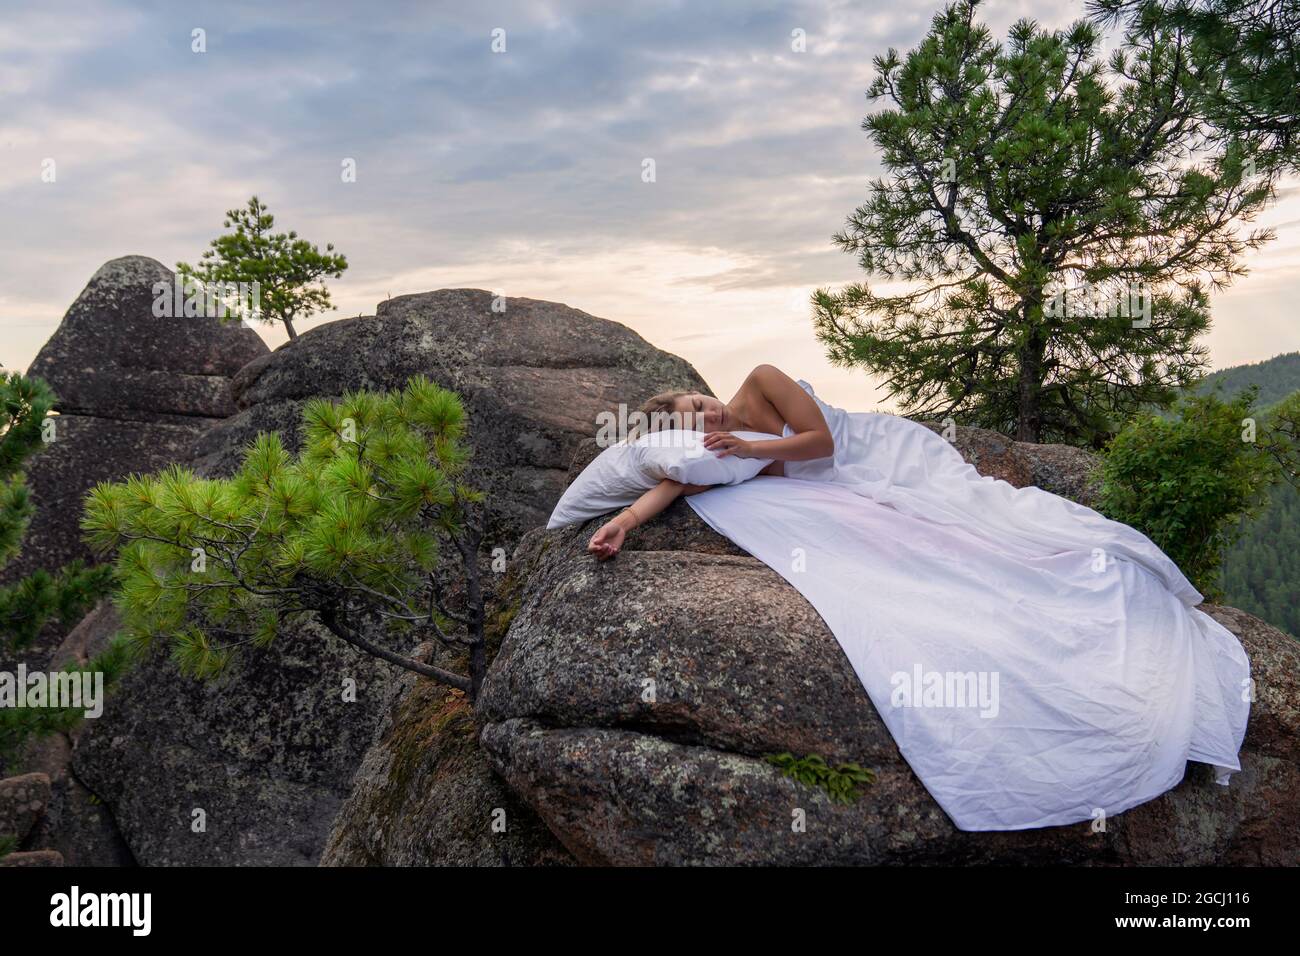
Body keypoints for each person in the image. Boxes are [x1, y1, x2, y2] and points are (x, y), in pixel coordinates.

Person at [587, 364, 833, 559]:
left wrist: (750, 448)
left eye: (699, 405)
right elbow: (676, 483)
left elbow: (823, 443)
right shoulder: (718, 452)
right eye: (699, 425)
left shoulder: (762, 381)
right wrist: (621, 525)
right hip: (832, 480)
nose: (714, 415)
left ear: (694, 392)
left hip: (857, 447)